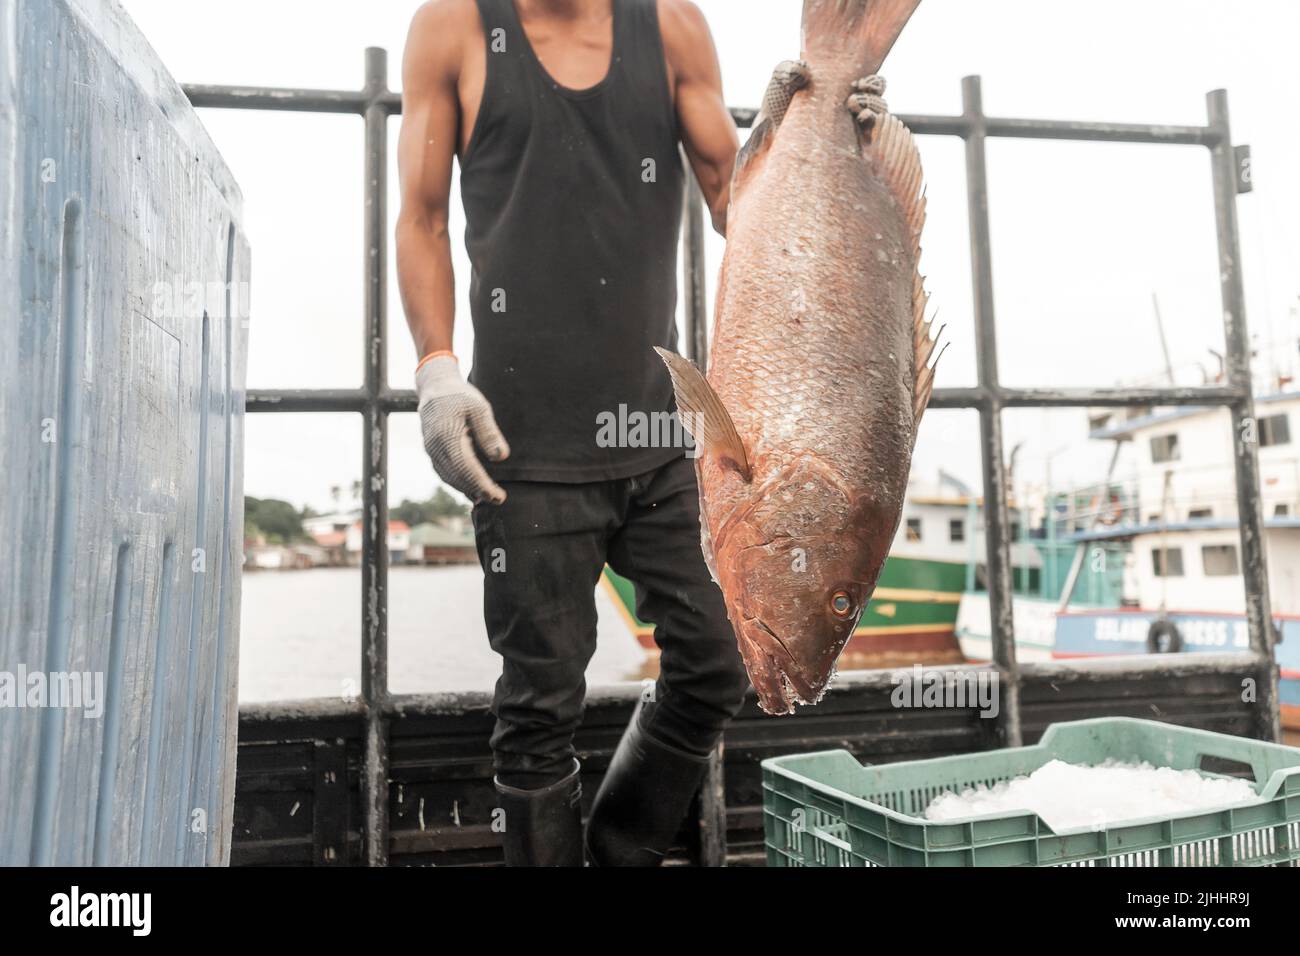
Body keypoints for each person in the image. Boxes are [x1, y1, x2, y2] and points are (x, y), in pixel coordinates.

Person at [396, 0, 747, 867]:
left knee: (716, 665)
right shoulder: (454, 26)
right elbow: (422, 216)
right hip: (525, 444)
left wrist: (818, 141)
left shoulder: (670, 27)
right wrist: (438, 369)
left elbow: (736, 197)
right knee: (538, 715)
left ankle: (617, 855)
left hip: (662, 426)